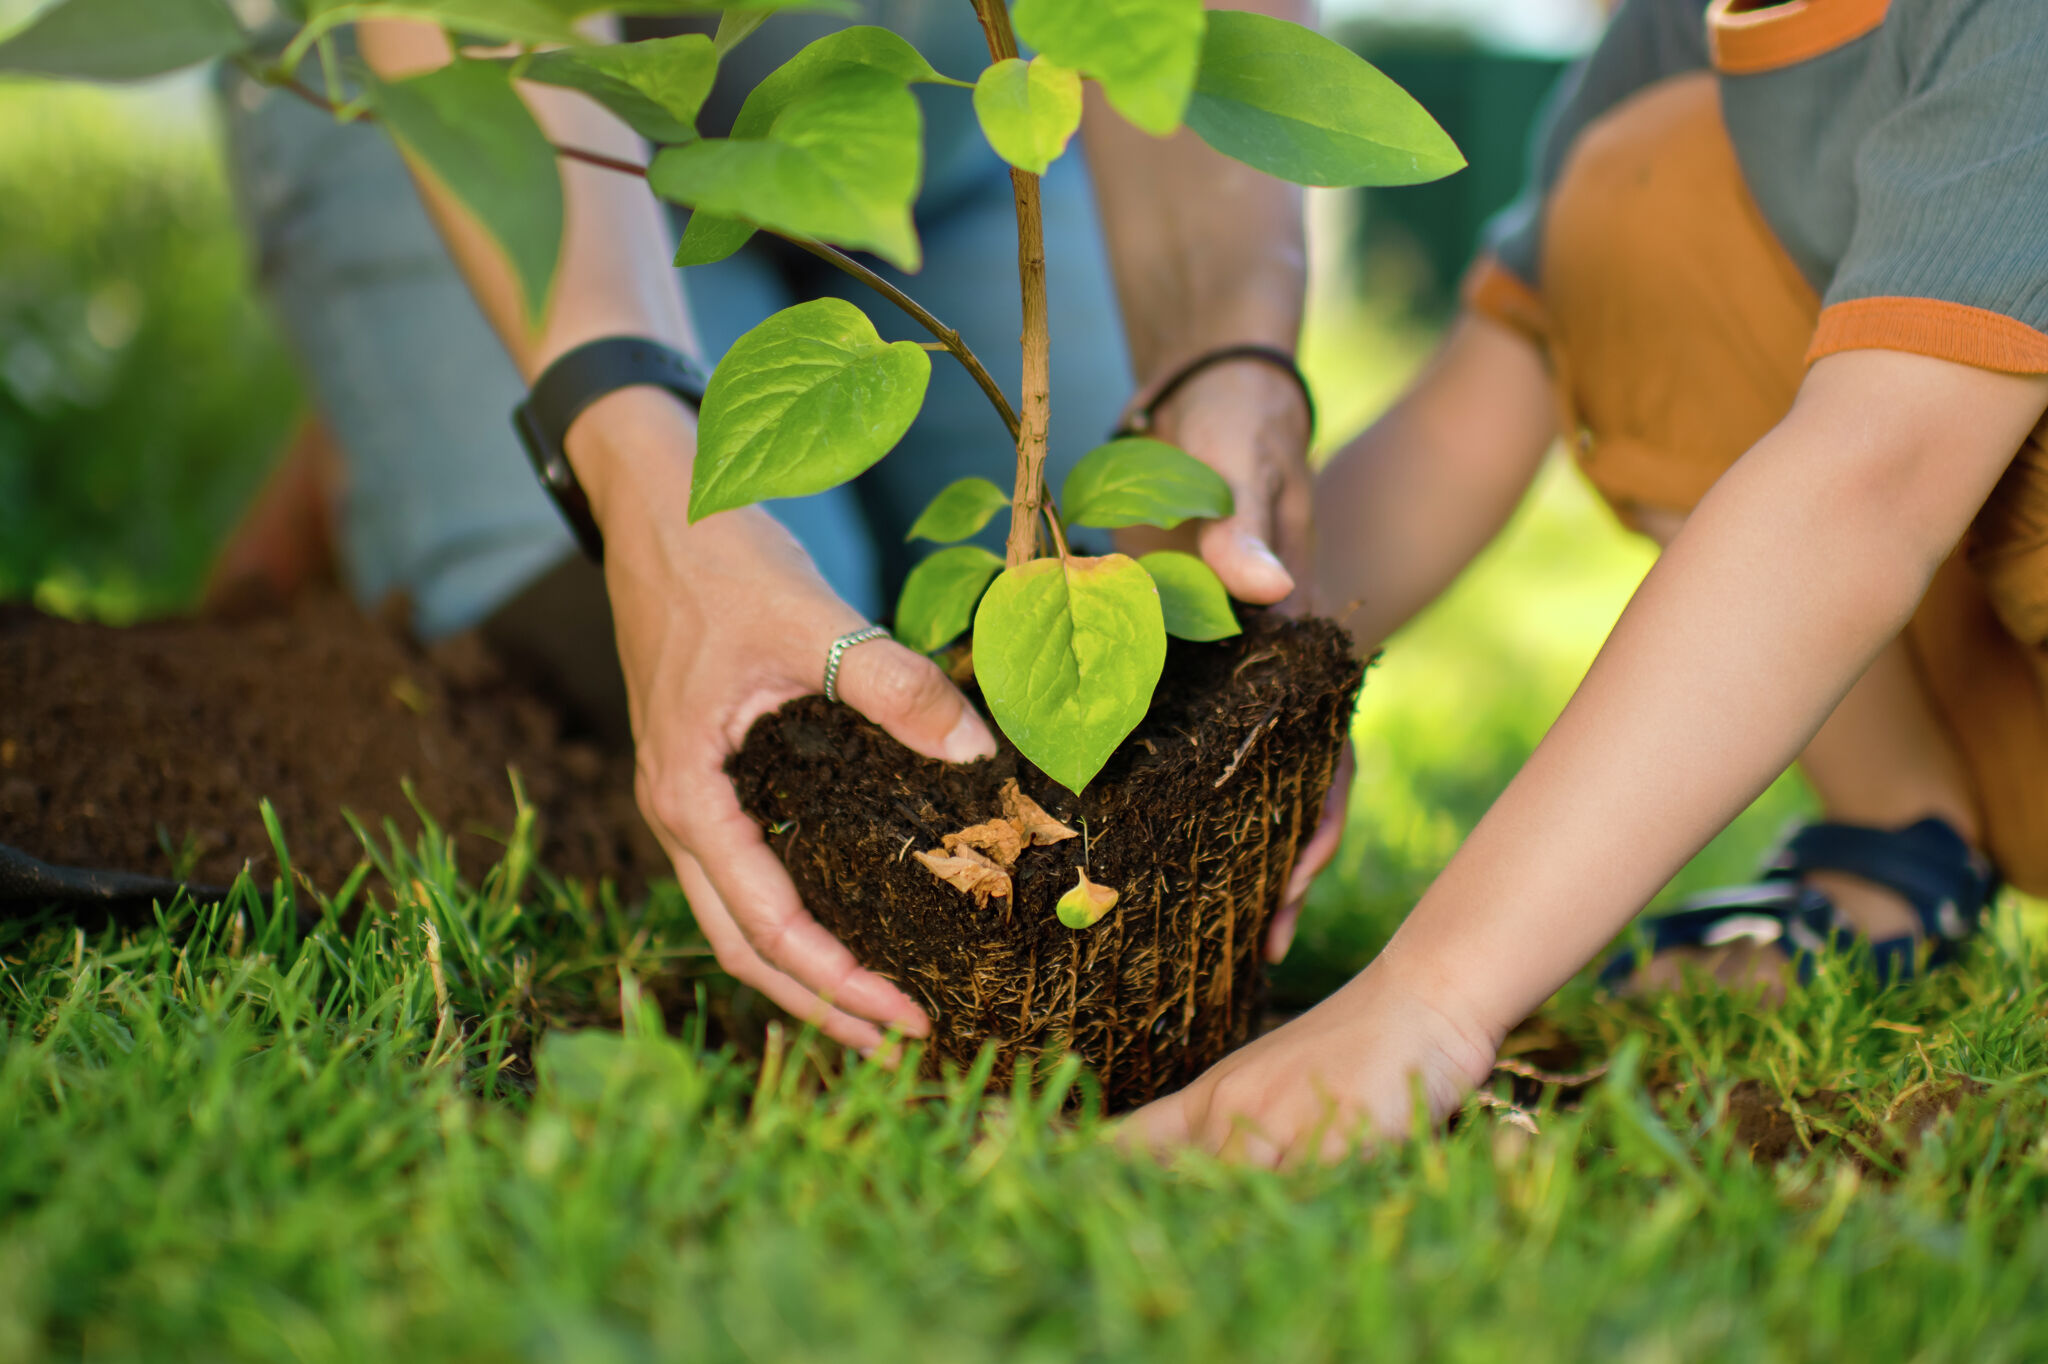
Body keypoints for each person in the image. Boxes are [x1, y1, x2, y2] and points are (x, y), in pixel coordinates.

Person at [213, 3, 1325, 1055]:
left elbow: (1184, 36)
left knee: (1124, 567)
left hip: (956, 130)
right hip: (509, 86)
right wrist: (628, 453)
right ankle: (416, 383)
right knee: (726, 689)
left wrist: (1230, 362)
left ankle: (482, 392)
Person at [1131, 0, 2048, 1163]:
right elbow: (1473, 415)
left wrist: (1427, 999)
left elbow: (1868, 487)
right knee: (1634, 190)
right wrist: (1183, 691)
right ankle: (1896, 850)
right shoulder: (1685, 26)